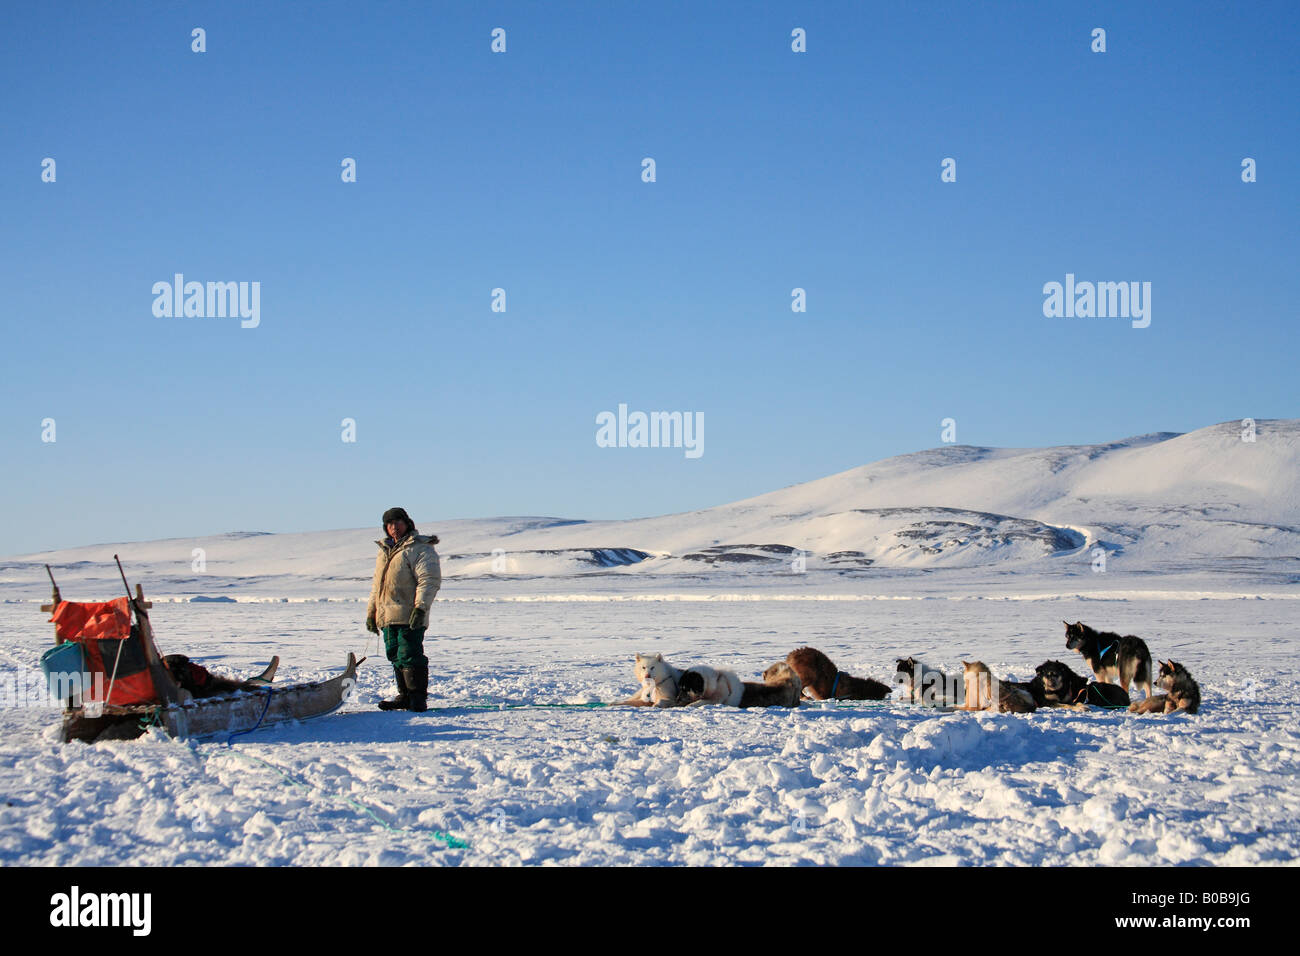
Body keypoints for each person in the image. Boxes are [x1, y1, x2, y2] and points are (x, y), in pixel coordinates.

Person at [365, 507, 441, 712]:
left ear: (407, 523)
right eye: (389, 524)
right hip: (387, 615)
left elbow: (428, 580)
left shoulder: (420, 548)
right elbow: (377, 587)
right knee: (394, 654)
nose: (394, 527)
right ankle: (405, 696)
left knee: (410, 653)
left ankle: (417, 698)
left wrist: (421, 608)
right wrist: (372, 613)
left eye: (398, 522)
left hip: (409, 614)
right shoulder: (385, 551)